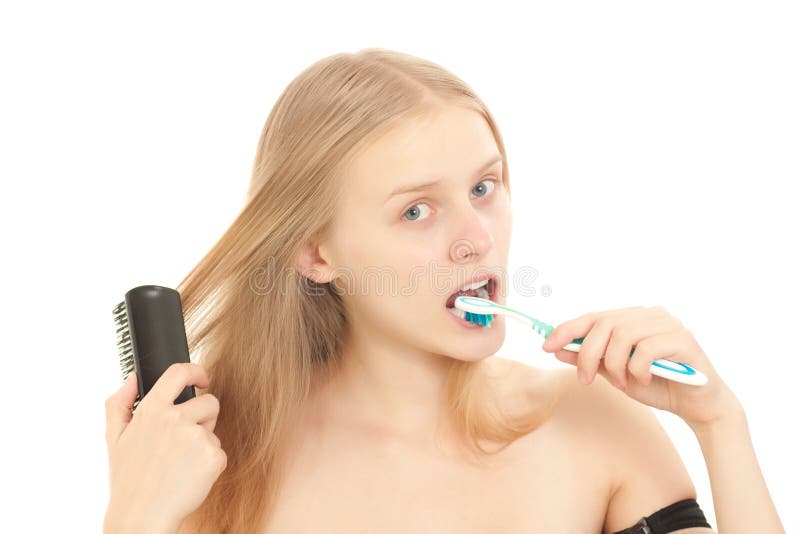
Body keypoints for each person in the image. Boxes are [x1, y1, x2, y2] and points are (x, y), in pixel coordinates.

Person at [103, 48, 785, 533]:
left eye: (483, 189)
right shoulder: (217, 455)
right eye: (417, 211)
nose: (476, 239)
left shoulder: (593, 424)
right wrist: (134, 519)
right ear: (316, 253)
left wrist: (721, 424)